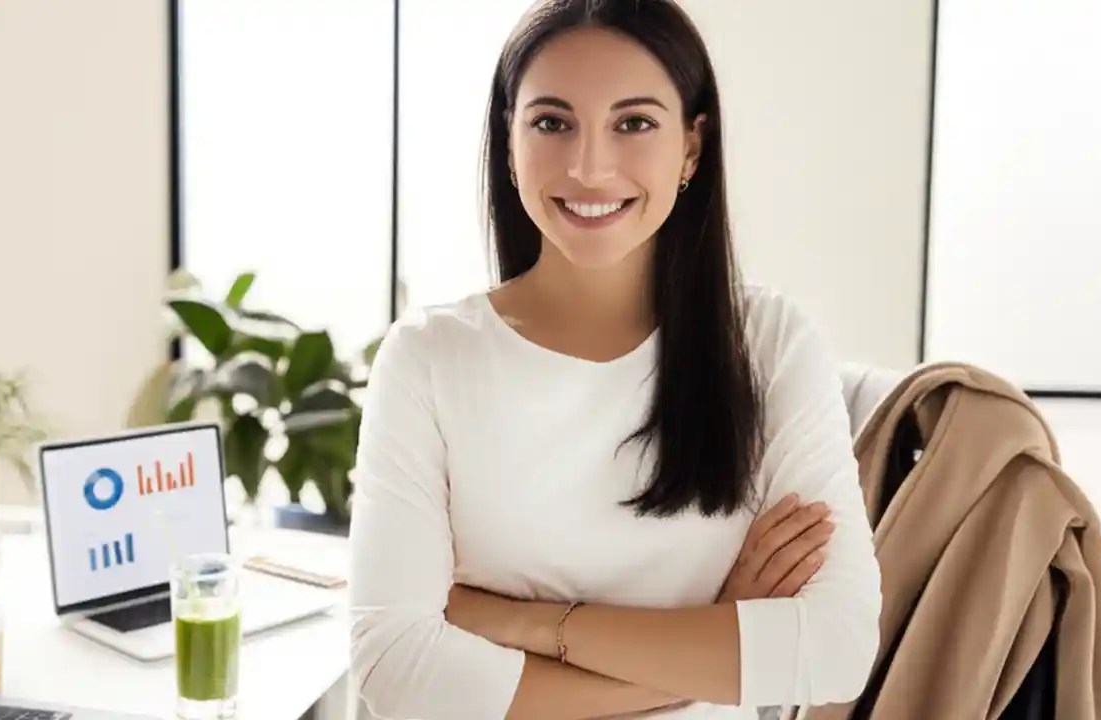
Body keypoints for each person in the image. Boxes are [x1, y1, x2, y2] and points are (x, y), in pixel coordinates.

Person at [348, 1, 882, 717]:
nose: (589, 166)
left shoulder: (770, 343)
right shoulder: (427, 360)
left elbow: (835, 648)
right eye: (551, 122)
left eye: (633, 123)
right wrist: (720, 641)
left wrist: (531, 624)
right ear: (508, 143)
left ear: (692, 147)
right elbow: (397, 672)